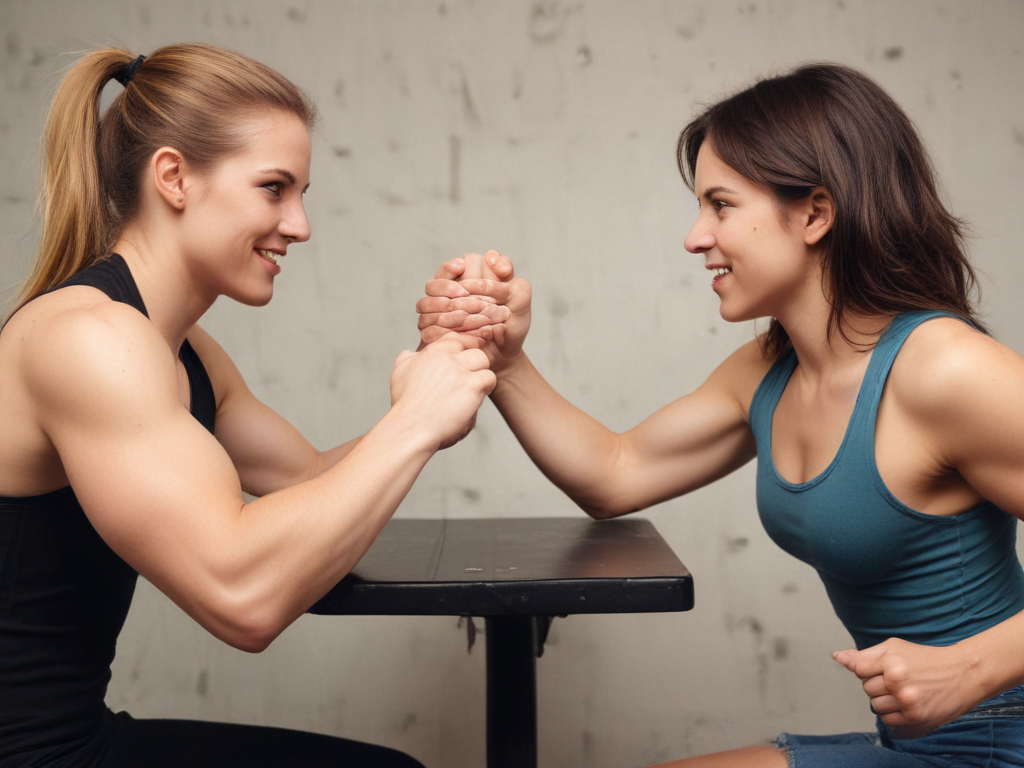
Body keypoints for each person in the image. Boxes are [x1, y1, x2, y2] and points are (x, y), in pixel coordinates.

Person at [417, 64, 1024, 767]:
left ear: (816, 214)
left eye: (721, 205)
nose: (695, 237)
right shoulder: (770, 370)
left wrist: (974, 667)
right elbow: (615, 473)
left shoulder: (943, 368)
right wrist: (504, 356)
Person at [0, 44, 501, 767]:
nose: (299, 225)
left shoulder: (183, 348)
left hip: (75, 741)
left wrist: (445, 367)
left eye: (302, 193)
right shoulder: (88, 340)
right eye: (273, 188)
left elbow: (309, 480)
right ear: (173, 177)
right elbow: (242, 598)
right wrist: (414, 422)